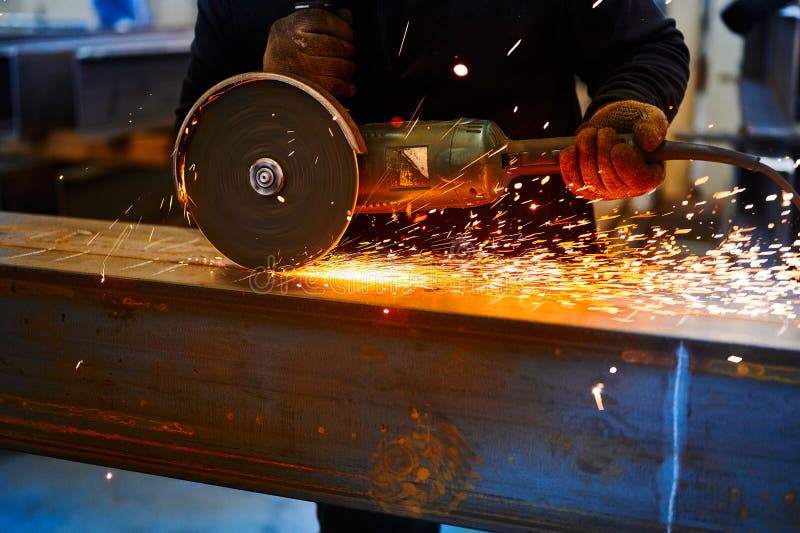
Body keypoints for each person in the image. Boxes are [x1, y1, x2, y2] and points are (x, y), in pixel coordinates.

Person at [176, 1, 689, 531]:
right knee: (374, 513)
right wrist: (265, 92)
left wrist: (627, 108)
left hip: (531, 285)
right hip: (348, 314)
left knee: (567, 490)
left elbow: (647, 46)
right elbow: (192, 149)